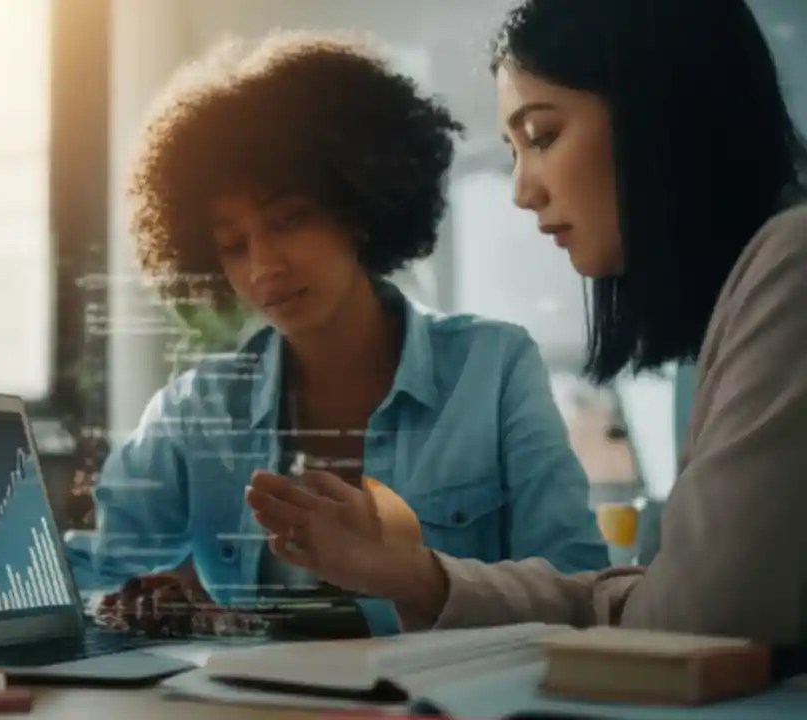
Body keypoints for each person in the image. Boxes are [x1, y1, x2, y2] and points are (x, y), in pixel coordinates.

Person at [246, 0, 807, 648]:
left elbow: (695, 624)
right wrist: (418, 576)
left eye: (541, 136)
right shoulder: (749, 297)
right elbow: (662, 600)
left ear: (664, 112)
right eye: (513, 149)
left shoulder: (791, 267)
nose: (522, 190)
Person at [67, 31, 610, 637]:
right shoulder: (193, 412)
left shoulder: (493, 369)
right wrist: (130, 601)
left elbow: (576, 589)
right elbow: (85, 577)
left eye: (289, 220)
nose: (263, 266)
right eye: (232, 245)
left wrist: (418, 577)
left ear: (356, 205)